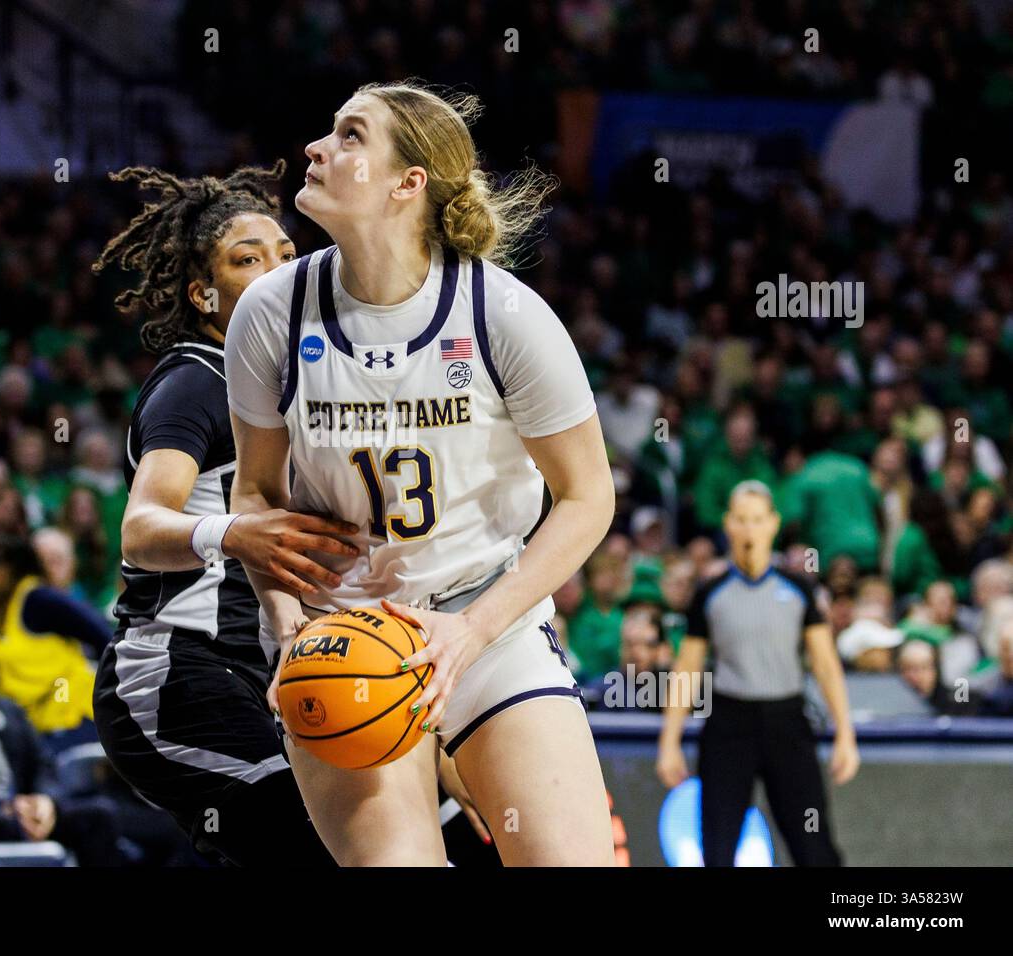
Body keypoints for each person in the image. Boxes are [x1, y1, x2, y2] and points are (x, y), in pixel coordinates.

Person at [225, 81, 616, 865]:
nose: (317, 148)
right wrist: (287, 625)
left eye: (349, 136)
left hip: (486, 621)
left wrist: (473, 630)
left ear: (409, 183)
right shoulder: (270, 313)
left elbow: (587, 498)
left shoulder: (503, 314)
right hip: (342, 627)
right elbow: (258, 497)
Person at [89, 161, 342, 866]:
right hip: (174, 670)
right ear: (205, 294)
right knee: (310, 835)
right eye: (247, 259)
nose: (277, 269)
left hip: (267, 671)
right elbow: (140, 531)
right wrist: (234, 532)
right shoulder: (198, 378)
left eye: (287, 255)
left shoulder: (308, 389)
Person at [657, 481, 859, 866]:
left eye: (757, 520)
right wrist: (669, 742)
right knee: (717, 849)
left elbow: (826, 665)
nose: (749, 528)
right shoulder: (711, 592)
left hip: (788, 723)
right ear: (728, 524)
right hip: (729, 725)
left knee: (814, 848)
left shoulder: (798, 589)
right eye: (742, 520)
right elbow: (688, 669)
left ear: (773, 524)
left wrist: (845, 734)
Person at [0, 615, 128, 866]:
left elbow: (42, 764)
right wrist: (2, 808)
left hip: (25, 811)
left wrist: (45, 801)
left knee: (99, 815)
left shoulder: (8, 710)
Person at [0, 534, 109, 750]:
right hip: (28, 727)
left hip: (71, 721)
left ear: (5, 570)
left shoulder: (38, 599)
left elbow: (105, 635)